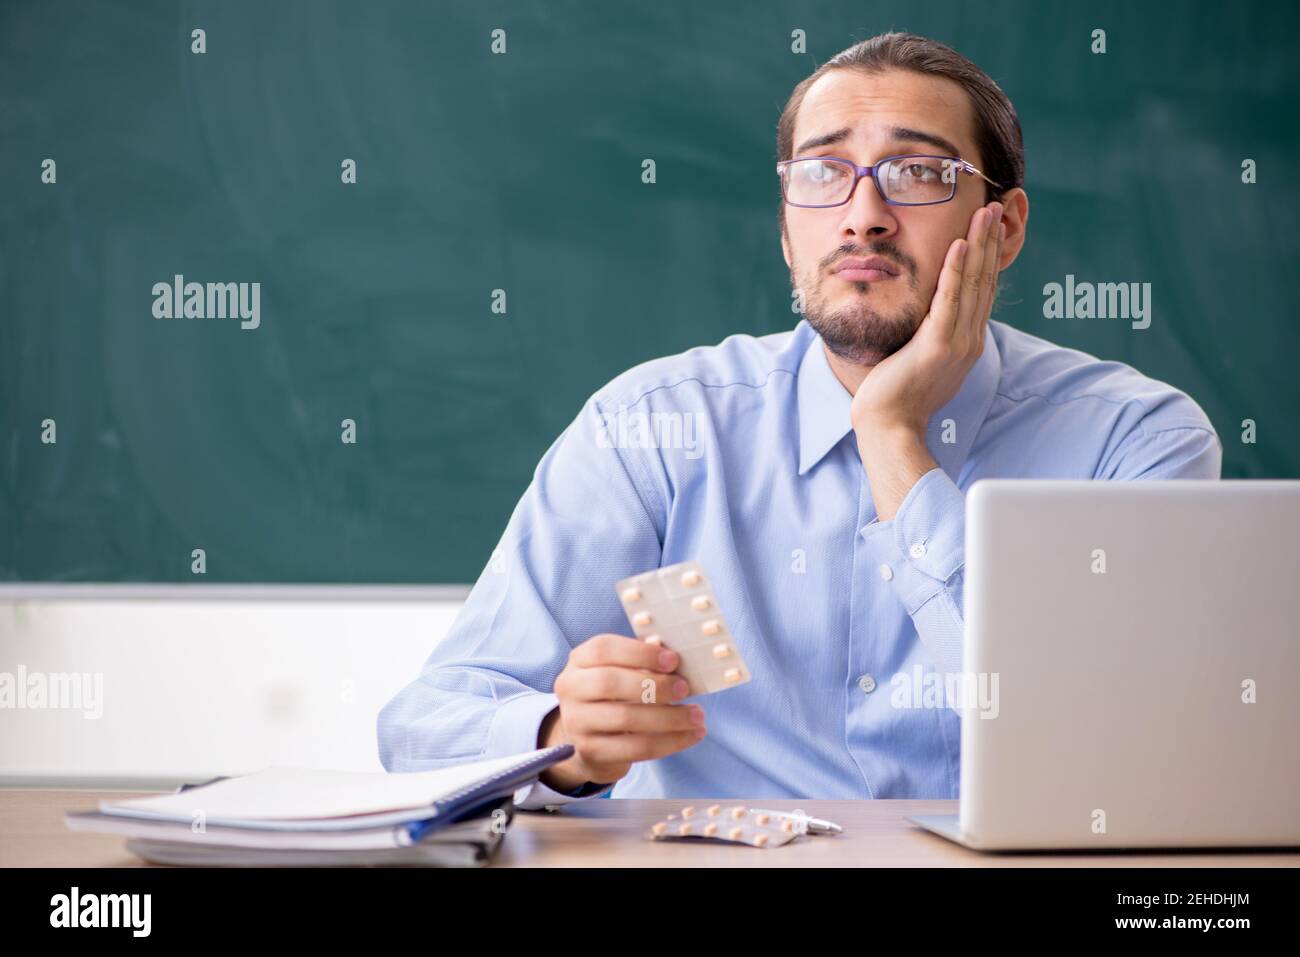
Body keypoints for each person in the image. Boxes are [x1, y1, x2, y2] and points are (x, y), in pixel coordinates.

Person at [378, 32, 1220, 807]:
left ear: (1004, 229)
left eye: (919, 173)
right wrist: (560, 743)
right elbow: (426, 725)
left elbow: (1104, 750)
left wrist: (891, 434)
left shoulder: (1135, 442)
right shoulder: (652, 431)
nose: (862, 215)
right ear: (787, 231)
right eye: (822, 174)